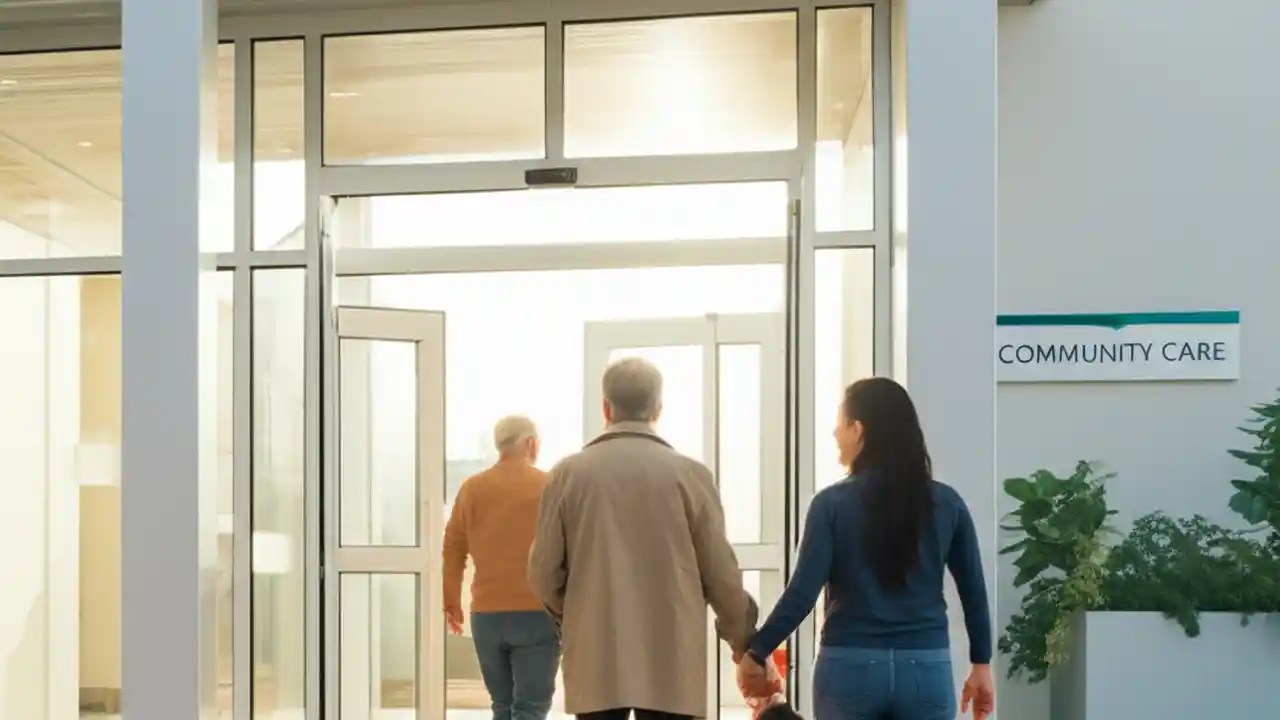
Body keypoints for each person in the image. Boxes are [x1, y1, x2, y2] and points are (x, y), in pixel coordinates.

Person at [737, 377, 995, 720]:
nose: (835, 434)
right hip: (924, 667)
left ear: (858, 430)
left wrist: (757, 651)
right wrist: (981, 664)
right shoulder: (947, 503)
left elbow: (803, 593)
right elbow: (974, 590)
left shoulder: (831, 505)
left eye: (840, 425)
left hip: (849, 668)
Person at [528, 357, 762, 720]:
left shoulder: (568, 474)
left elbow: (543, 571)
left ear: (605, 407)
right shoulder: (691, 475)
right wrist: (741, 637)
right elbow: (721, 573)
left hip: (595, 652)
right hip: (672, 656)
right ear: (657, 408)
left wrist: (576, 609)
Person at [444, 415, 560, 720]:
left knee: (502, 705)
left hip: (487, 616)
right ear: (530, 443)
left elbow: (453, 548)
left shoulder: (472, 488)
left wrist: (452, 601)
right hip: (537, 612)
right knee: (530, 708)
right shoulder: (549, 485)